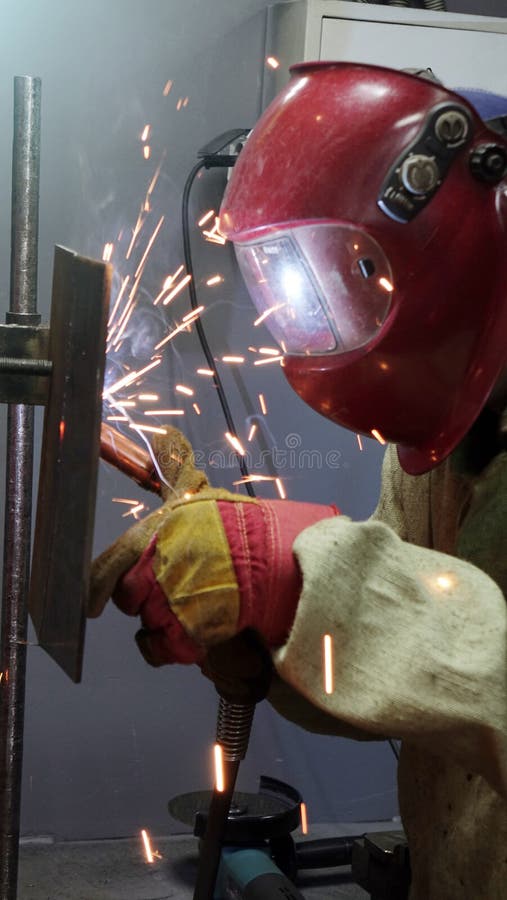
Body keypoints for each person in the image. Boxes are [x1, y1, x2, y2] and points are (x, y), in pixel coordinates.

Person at [89, 64, 507, 899]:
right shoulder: (431, 447)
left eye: (351, 271)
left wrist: (301, 576)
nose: (316, 310)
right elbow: (435, 679)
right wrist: (272, 634)